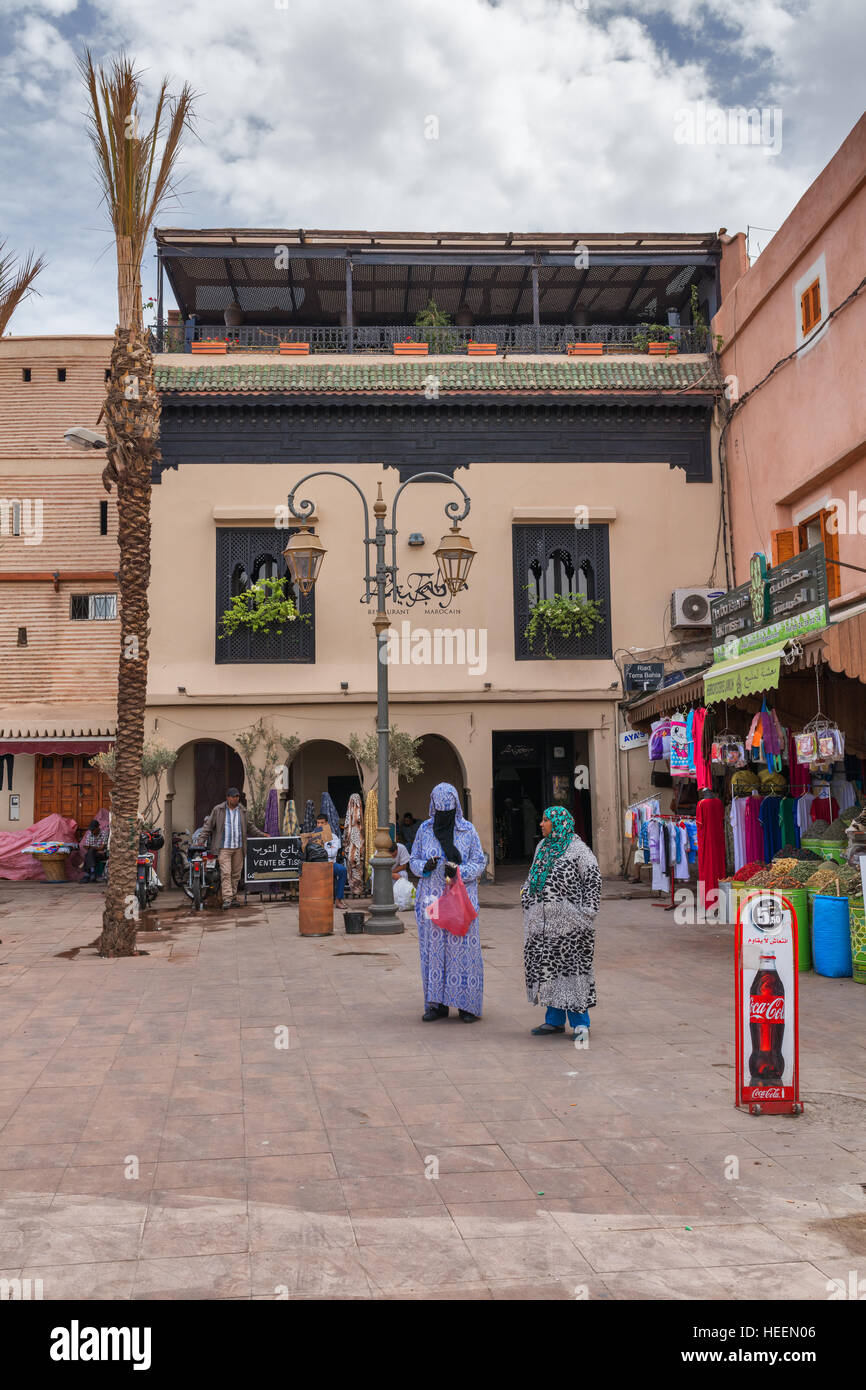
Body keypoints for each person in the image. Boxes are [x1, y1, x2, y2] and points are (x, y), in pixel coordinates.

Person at [521, 805, 600, 1040]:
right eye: (543, 819)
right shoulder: (542, 848)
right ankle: (553, 1021)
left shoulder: (578, 850)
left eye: (546, 820)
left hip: (571, 929)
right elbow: (533, 875)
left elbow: (594, 881)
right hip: (543, 926)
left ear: (558, 823)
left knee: (573, 973)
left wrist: (586, 914)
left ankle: (580, 1024)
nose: (542, 824)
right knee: (550, 972)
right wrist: (526, 895)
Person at [410, 782, 487, 1022]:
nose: (444, 818)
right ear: (433, 808)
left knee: (464, 953)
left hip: (461, 902)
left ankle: (467, 1006)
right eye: (440, 813)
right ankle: (436, 1005)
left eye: (448, 813)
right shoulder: (424, 830)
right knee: (433, 953)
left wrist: (460, 871)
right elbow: (413, 859)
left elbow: (480, 862)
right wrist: (425, 866)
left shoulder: (468, 831)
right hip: (432, 901)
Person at [203, 787, 265, 909]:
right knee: (226, 873)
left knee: (236, 875)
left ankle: (233, 896)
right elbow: (208, 827)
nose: (236, 798)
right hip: (224, 848)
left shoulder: (243, 811)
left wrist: (263, 835)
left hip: (238, 848)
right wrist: (201, 840)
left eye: (237, 796)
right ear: (227, 797)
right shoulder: (218, 810)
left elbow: (250, 827)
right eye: (233, 796)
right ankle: (227, 899)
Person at [315, 813, 347, 907]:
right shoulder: (312, 837)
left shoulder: (334, 837)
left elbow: (333, 853)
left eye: (322, 823)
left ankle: (338, 899)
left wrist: (321, 850)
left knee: (342, 870)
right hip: (315, 865)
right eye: (318, 823)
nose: (320, 825)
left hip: (329, 864)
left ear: (327, 824)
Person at [80, 817, 108, 881]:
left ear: (98, 828)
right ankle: (92, 873)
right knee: (90, 852)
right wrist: (90, 848)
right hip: (94, 854)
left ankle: (87, 874)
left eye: (93, 830)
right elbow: (88, 846)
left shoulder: (104, 834)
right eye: (91, 830)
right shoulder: (89, 834)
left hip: (102, 855)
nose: (92, 831)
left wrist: (92, 847)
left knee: (89, 853)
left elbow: (102, 848)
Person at [389, 837, 413, 910]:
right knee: (375, 875)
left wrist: (392, 873)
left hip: (394, 870)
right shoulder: (380, 851)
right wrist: (389, 874)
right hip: (384, 872)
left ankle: (403, 899)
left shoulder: (401, 848)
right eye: (391, 855)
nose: (394, 857)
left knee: (403, 874)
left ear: (397, 849)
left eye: (395, 855)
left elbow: (403, 866)